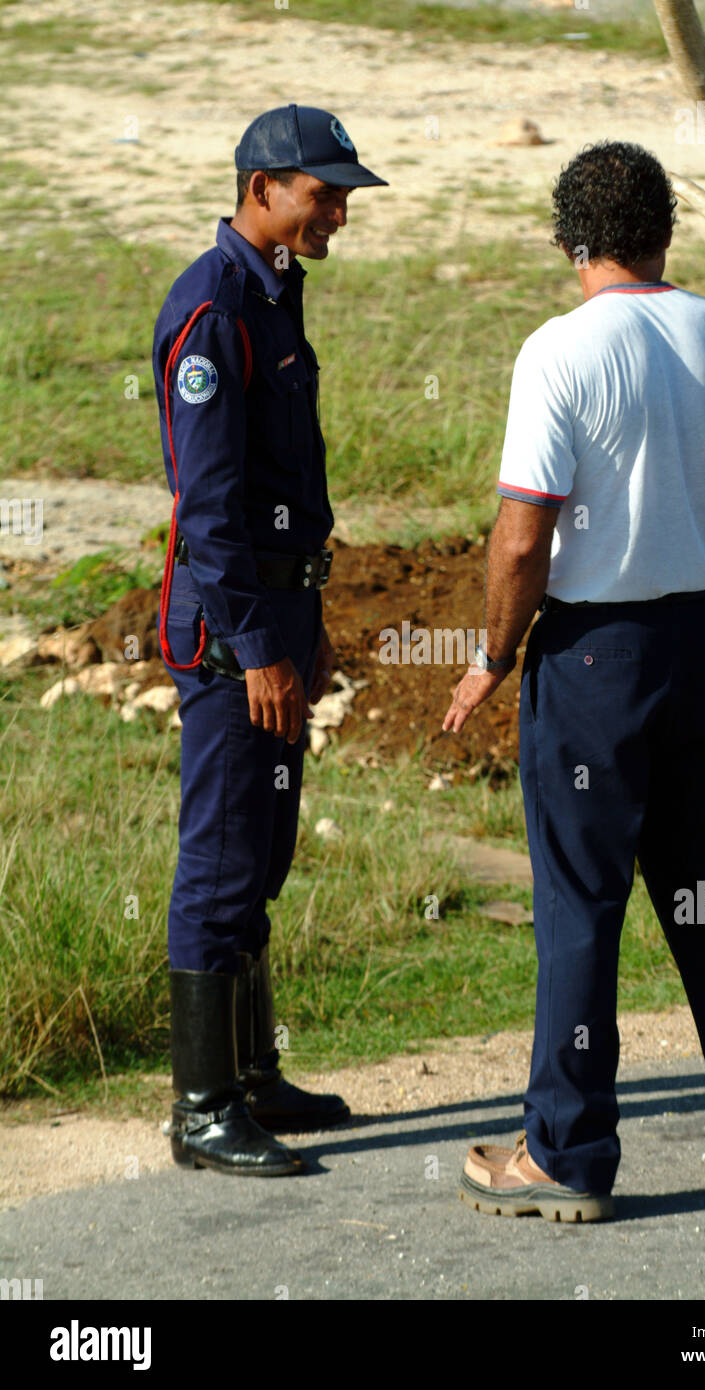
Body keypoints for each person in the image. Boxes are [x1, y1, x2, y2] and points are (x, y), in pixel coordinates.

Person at [443, 140, 705, 1222]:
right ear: (661, 232)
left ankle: (564, 1150)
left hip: (593, 661)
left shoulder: (559, 352)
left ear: (573, 243)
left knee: (579, 906)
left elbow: (521, 541)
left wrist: (491, 656)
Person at [153, 105, 387, 1176]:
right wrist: (256, 647)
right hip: (228, 633)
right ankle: (201, 1112)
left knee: (263, 847)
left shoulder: (274, 295)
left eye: (341, 193)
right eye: (322, 191)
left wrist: (309, 623)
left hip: (277, 613)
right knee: (221, 853)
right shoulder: (213, 309)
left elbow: (291, 493)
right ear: (261, 188)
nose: (338, 209)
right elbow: (206, 509)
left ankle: (249, 1075)